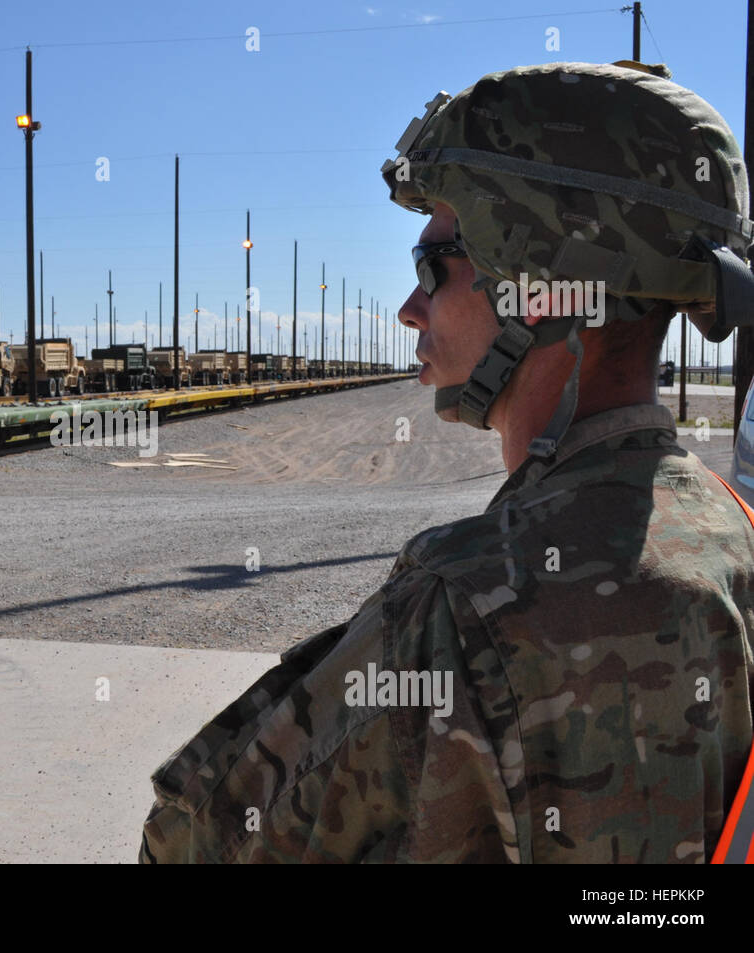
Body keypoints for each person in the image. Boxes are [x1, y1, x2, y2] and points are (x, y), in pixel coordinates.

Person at [139, 61, 754, 863]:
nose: (409, 306)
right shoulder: (735, 535)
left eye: (436, 265)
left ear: (540, 288)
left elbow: (192, 845)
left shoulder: (462, 606)